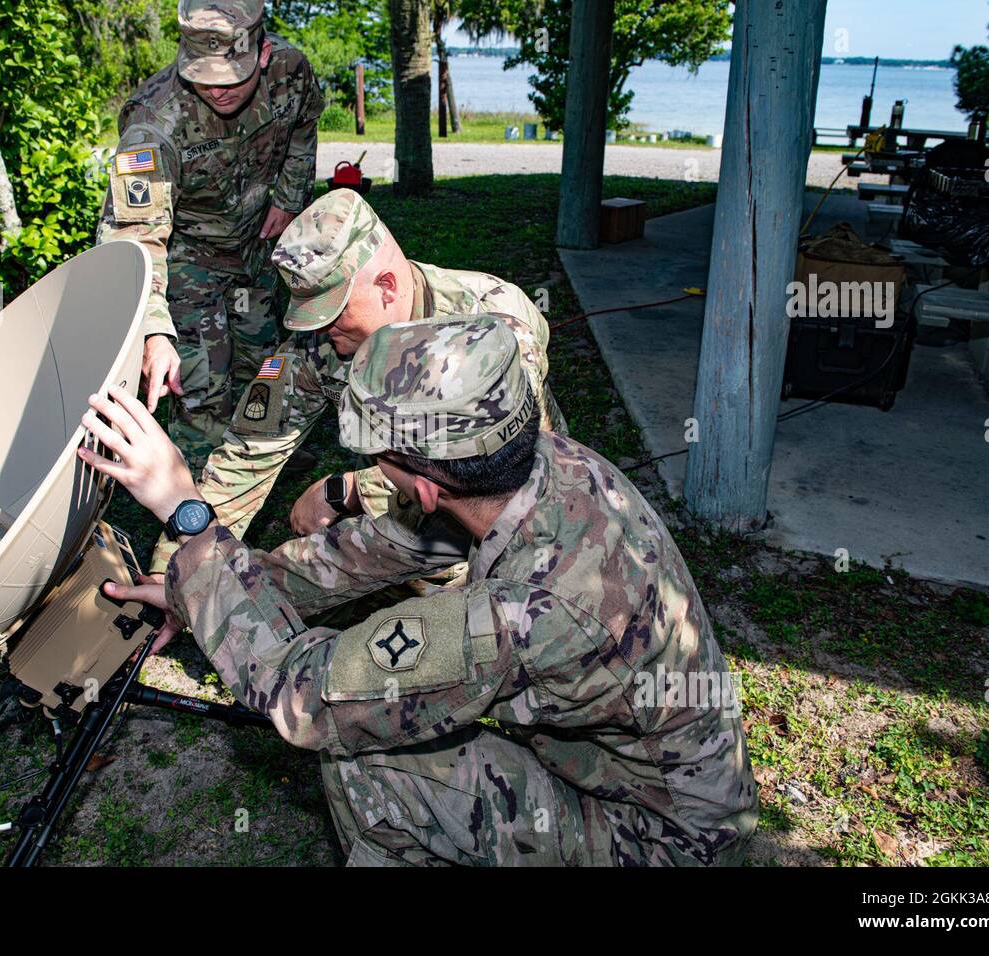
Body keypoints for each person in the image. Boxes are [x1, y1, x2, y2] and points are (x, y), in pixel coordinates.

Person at [79, 316, 759, 866]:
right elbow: (361, 555)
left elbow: (305, 696)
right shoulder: (546, 461)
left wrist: (188, 516)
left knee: (367, 760)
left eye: (380, 454)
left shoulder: (517, 620)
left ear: (428, 486)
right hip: (655, 781)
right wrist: (206, 584)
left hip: (664, 842)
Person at [148, 186, 568, 572]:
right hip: (410, 489)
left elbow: (505, 477)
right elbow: (246, 455)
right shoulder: (318, 346)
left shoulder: (493, 328)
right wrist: (176, 569)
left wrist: (346, 491)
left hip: (516, 501)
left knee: (493, 575)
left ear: (387, 285)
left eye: (332, 311)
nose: (319, 330)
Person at [96, 0, 322, 474]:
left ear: (262, 54)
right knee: (200, 380)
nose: (218, 90)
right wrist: (153, 331)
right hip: (188, 260)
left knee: (266, 356)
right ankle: (195, 487)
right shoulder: (152, 122)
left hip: (257, 246)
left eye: (232, 76)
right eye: (204, 76)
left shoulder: (290, 70)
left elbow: (304, 126)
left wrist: (288, 196)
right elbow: (132, 240)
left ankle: (266, 448)